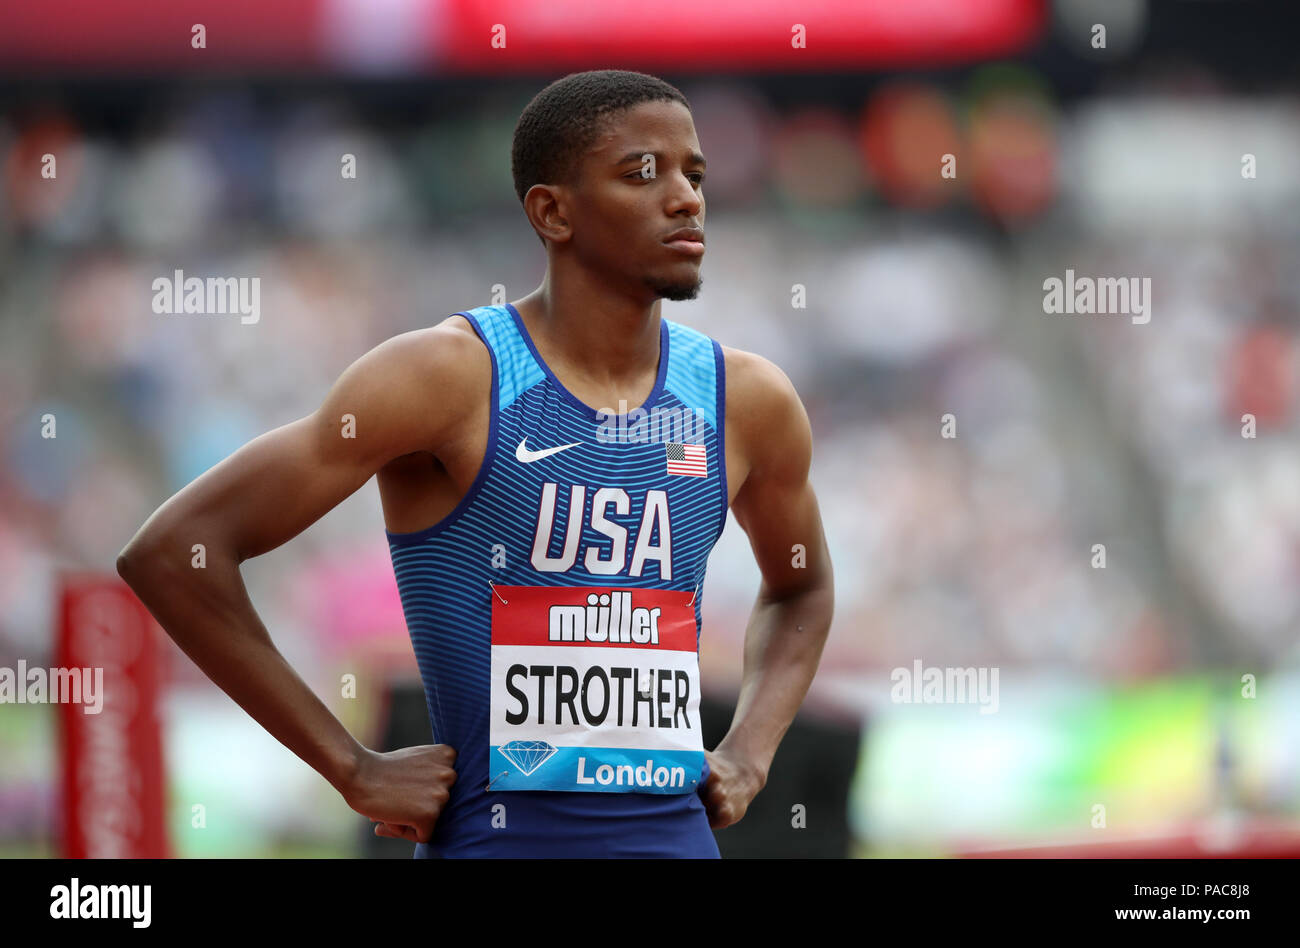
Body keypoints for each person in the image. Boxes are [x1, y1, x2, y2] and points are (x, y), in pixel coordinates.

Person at [117, 69, 834, 857]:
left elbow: (801, 585)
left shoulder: (745, 400)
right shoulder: (448, 378)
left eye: (693, 174)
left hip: (672, 841)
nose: (686, 197)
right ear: (552, 212)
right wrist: (350, 767)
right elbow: (175, 552)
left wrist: (750, 752)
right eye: (642, 173)